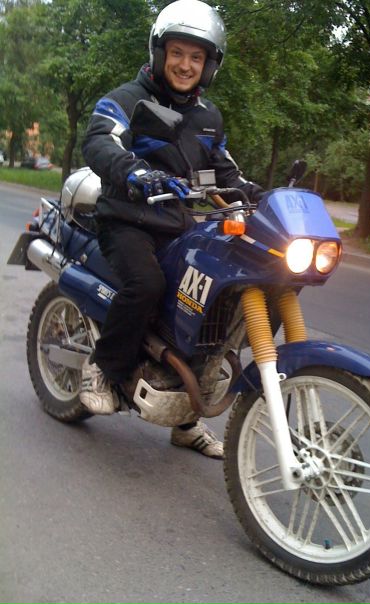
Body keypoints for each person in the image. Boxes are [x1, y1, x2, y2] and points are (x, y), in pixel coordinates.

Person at [80, 0, 263, 459]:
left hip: (178, 226)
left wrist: (259, 196)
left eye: (196, 57)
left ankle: (185, 420)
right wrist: (135, 172)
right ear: (160, 52)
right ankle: (103, 368)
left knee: (203, 308)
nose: (185, 65)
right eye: (178, 53)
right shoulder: (126, 99)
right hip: (126, 221)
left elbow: (224, 172)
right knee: (147, 284)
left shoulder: (208, 117)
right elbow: (99, 140)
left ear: (210, 65)